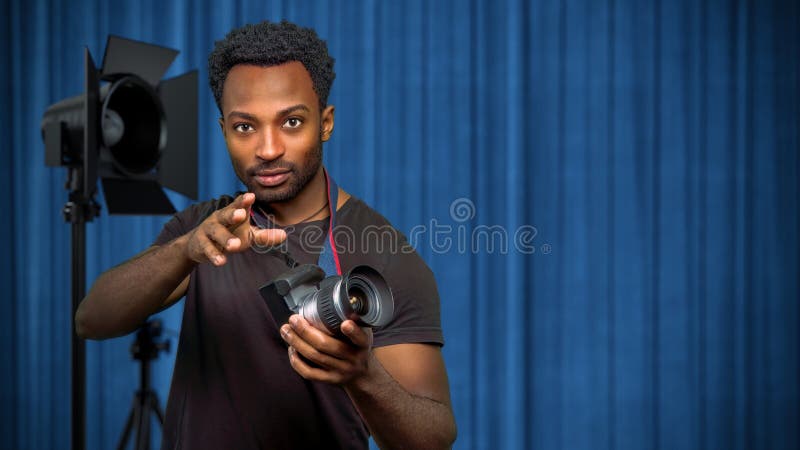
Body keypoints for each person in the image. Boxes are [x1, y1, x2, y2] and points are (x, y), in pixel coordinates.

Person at [75, 20, 457, 450]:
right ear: (223, 131)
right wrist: (185, 250)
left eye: (291, 122)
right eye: (245, 127)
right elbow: (92, 319)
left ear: (325, 122)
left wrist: (363, 376)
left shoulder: (383, 253)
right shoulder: (206, 228)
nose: (268, 148)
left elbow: (433, 437)